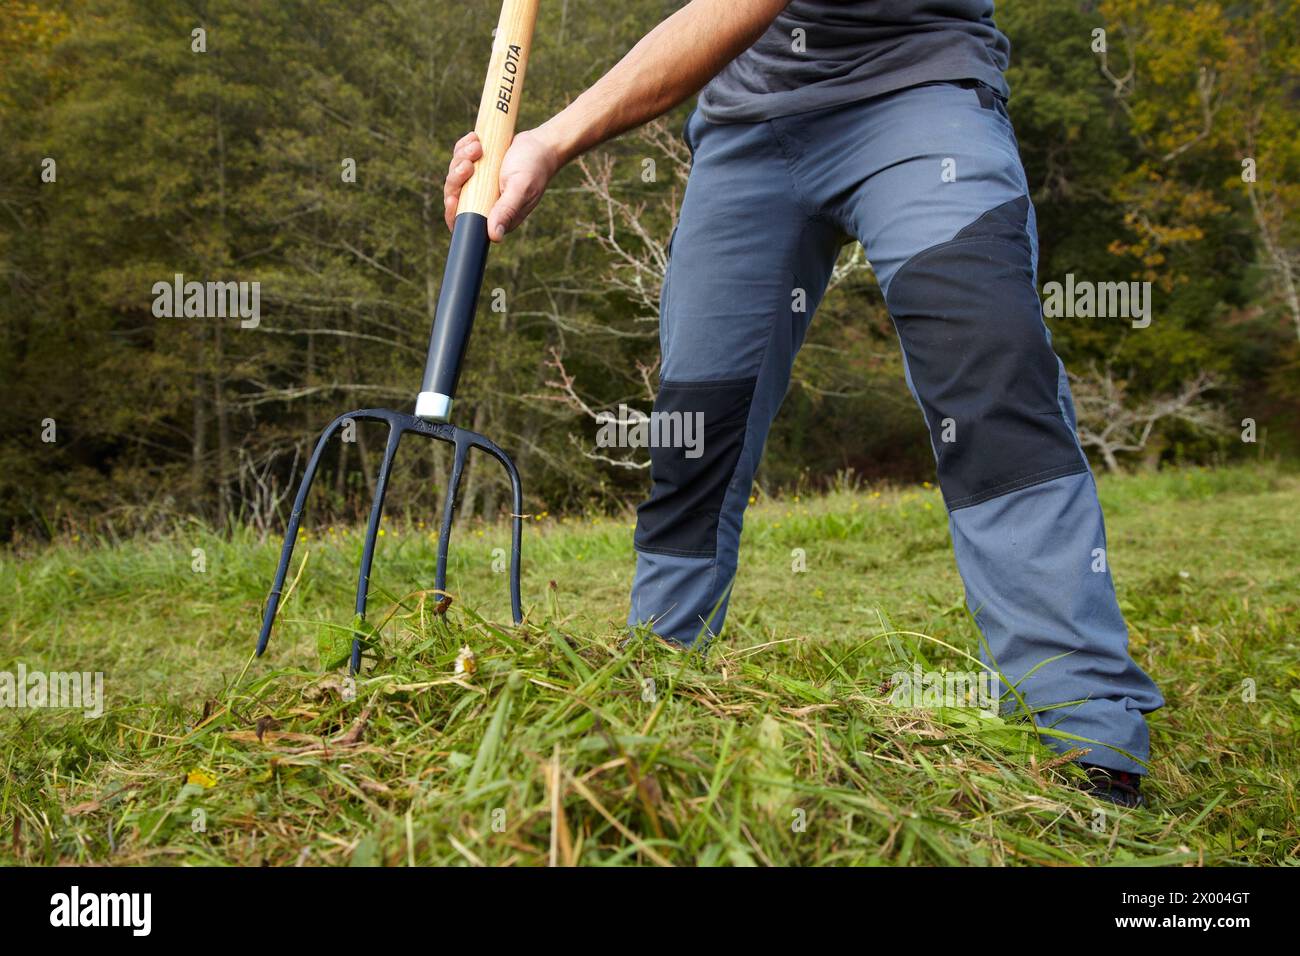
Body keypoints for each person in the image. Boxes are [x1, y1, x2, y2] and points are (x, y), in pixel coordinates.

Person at [442, 0, 1163, 805]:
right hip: (751, 123)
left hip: (916, 86)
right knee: (694, 427)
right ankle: (653, 685)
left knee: (989, 369)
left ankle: (1085, 728)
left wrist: (550, 139)